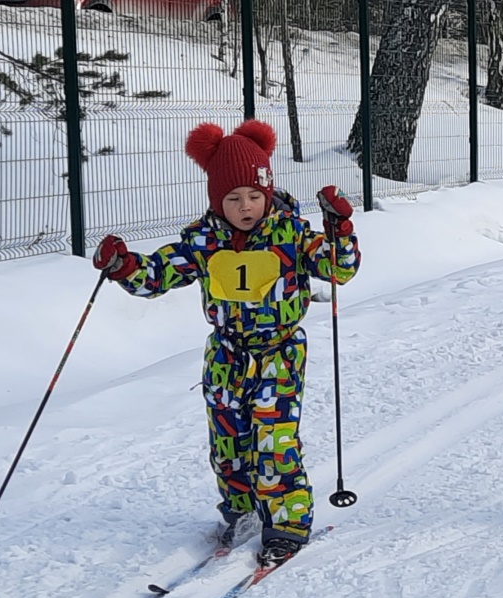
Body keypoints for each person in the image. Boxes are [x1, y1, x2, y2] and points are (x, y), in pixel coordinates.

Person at [93, 121, 360, 567]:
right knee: (229, 442)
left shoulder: (290, 233)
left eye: (254, 196)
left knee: (273, 441)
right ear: (218, 200)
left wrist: (341, 230)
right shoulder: (205, 240)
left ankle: (287, 524)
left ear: (268, 191)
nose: (246, 207)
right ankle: (242, 511)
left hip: (278, 352)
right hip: (225, 355)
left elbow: (339, 269)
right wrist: (124, 265)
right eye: (233, 199)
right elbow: (158, 274)